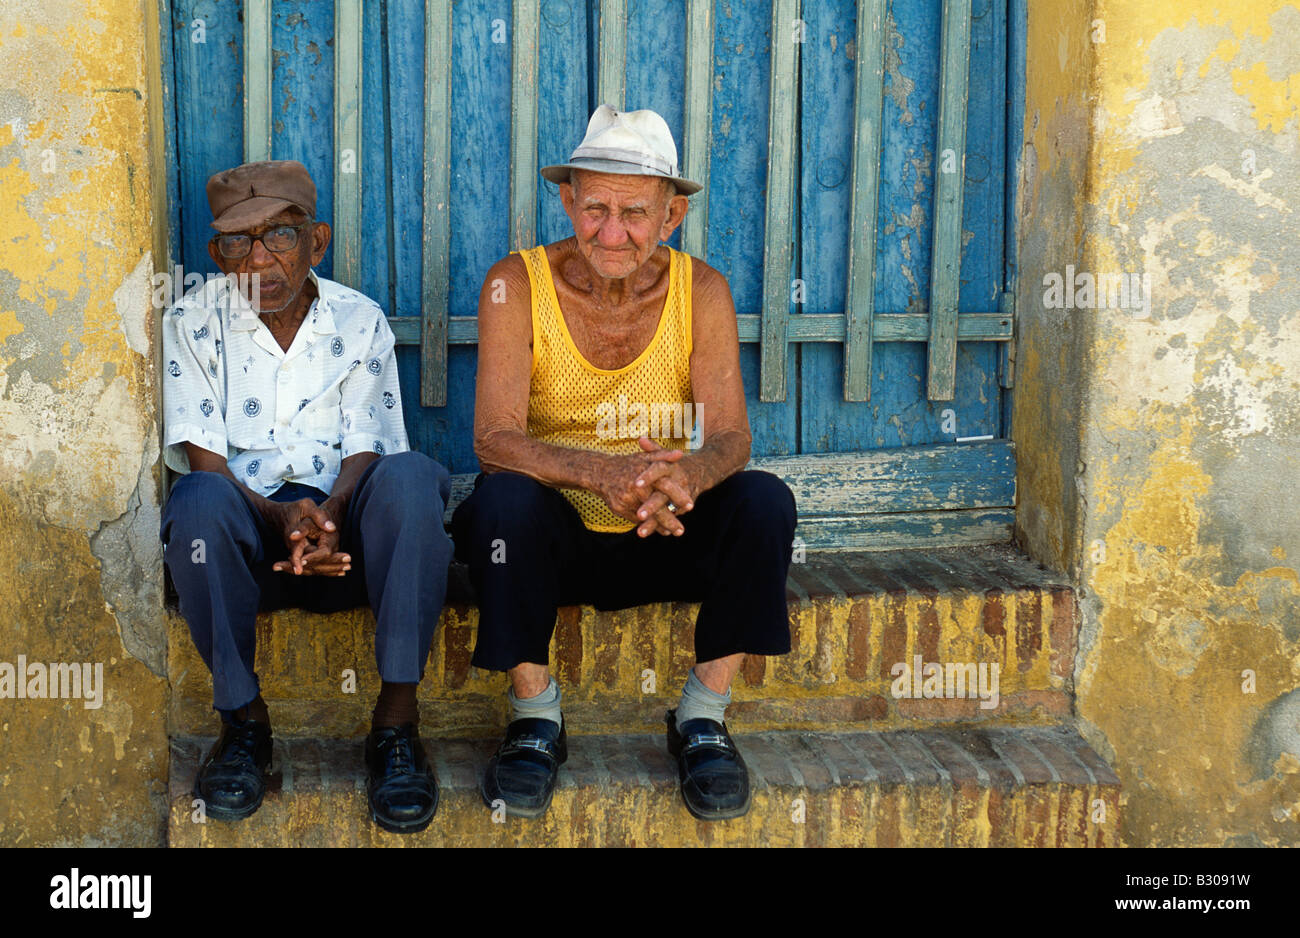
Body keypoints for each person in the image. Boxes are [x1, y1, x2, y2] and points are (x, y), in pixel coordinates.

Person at [453, 106, 797, 821]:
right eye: (596, 209)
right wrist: (602, 474)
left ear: (671, 215)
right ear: (568, 201)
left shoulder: (703, 290)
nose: (612, 234)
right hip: (560, 540)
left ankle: (703, 718)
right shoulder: (513, 285)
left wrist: (687, 477)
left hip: (663, 533)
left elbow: (732, 437)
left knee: (764, 502)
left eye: (635, 214)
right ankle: (534, 718)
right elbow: (493, 438)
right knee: (499, 505)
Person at [160, 159, 452, 834]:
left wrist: (329, 514)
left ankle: (397, 726)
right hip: (250, 528)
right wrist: (280, 515)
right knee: (197, 504)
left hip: (347, 527)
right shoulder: (191, 320)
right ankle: (243, 728)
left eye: (280, 237)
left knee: (411, 480)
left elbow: (370, 444)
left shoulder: (360, 319)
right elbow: (204, 457)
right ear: (217, 252)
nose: (259, 259)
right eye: (239, 241)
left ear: (316, 242)